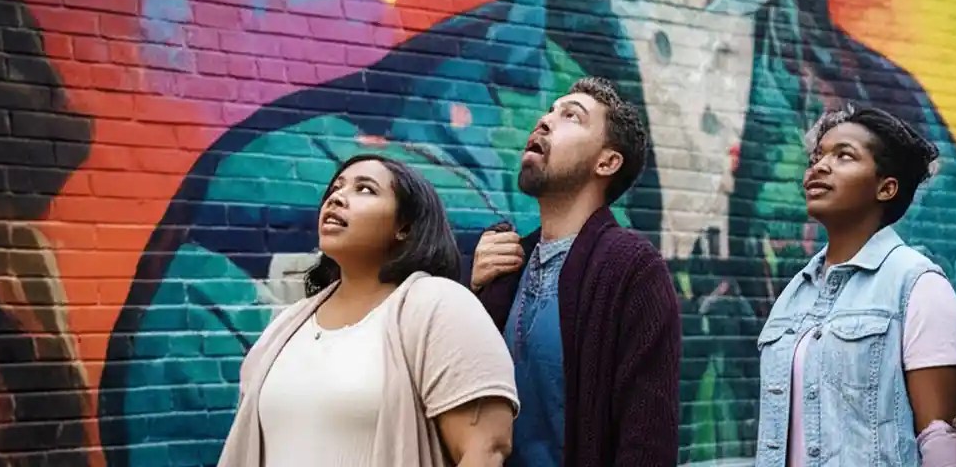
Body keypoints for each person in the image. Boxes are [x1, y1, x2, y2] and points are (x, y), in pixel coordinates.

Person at [218, 155, 520, 467]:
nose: (337, 197)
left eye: (365, 190)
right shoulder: (286, 327)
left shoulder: (436, 304)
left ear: (404, 227)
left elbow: (485, 447)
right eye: (336, 188)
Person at [469, 76, 682, 467]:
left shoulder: (633, 269)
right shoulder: (504, 265)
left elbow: (648, 441)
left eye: (572, 116)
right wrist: (470, 295)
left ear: (607, 162)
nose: (545, 121)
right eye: (550, 110)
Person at [755, 105, 956, 466]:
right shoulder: (795, 293)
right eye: (817, 156)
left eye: (844, 156)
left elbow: (941, 440)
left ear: (885, 188)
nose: (819, 167)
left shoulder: (918, 285)